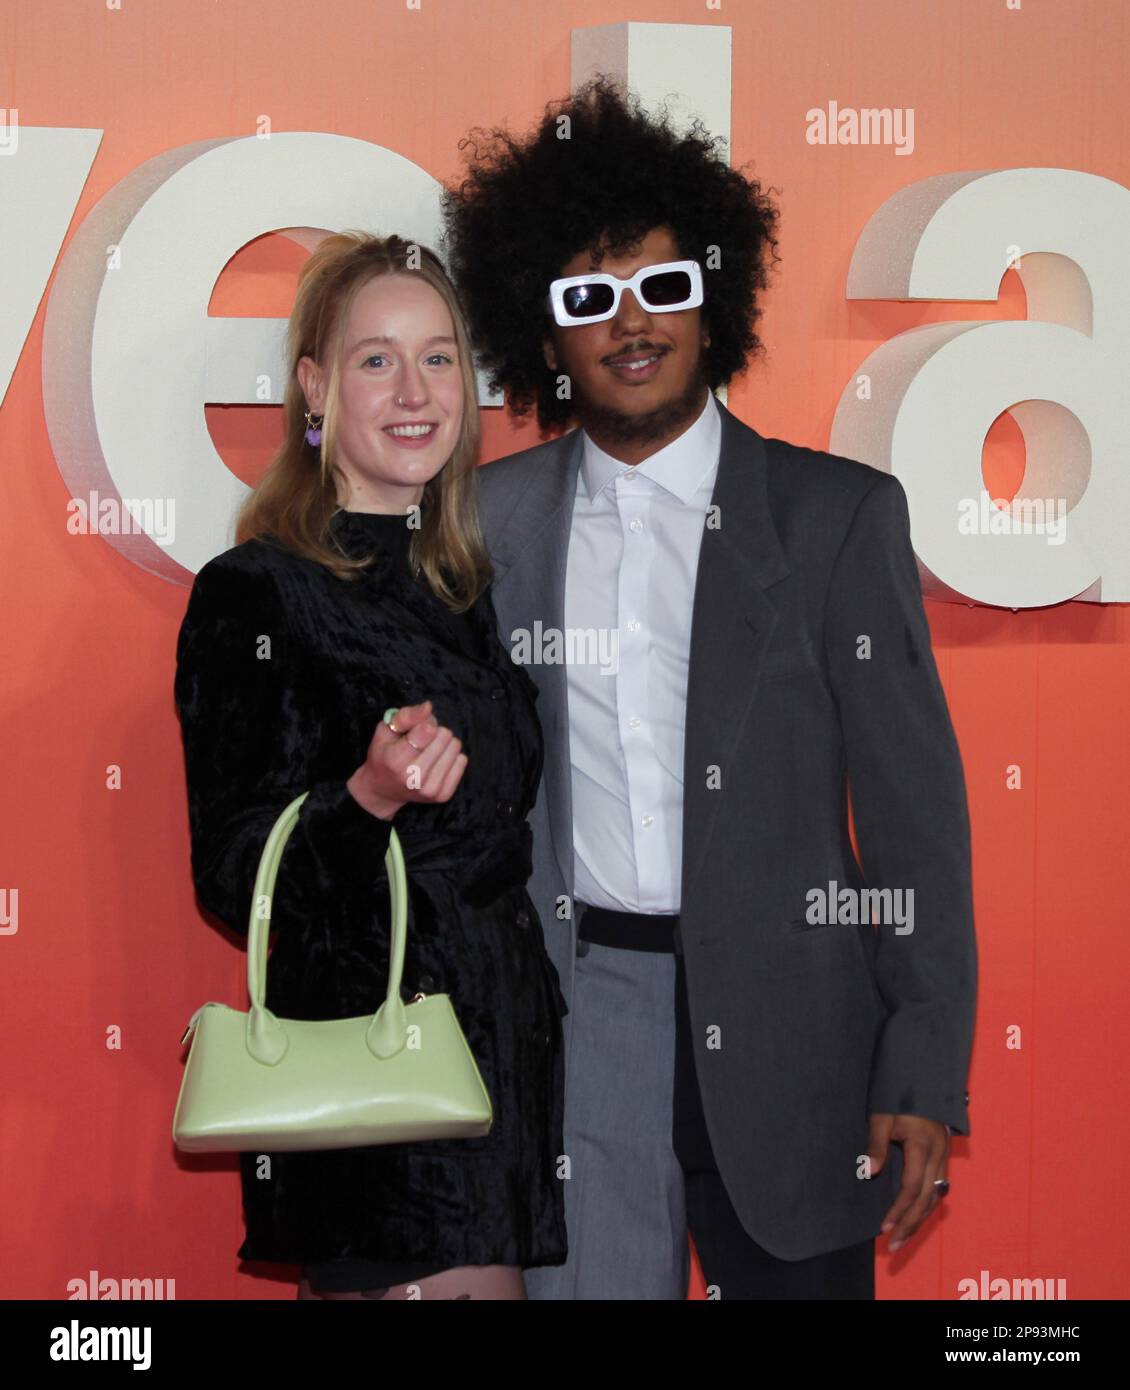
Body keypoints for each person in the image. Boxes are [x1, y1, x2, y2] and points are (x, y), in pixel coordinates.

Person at [443, 76, 977, 1299]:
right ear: (545, 337)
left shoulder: (835, 518)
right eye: (589, 298)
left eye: (662, 285)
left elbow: (915, 824)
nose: (631, 323)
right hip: (579, 1036)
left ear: (712, 300)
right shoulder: (487, 526)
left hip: (802, 1046)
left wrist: (920, 1066)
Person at [173, 231, 567, 1300]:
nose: (414, 391)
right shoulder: (258, 591)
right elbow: (235, 871)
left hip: (495, 1063)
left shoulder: (464, 585)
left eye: (438, 357)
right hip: (377, 1079)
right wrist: (366, 798)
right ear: (314, 386)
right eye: (376, 359)